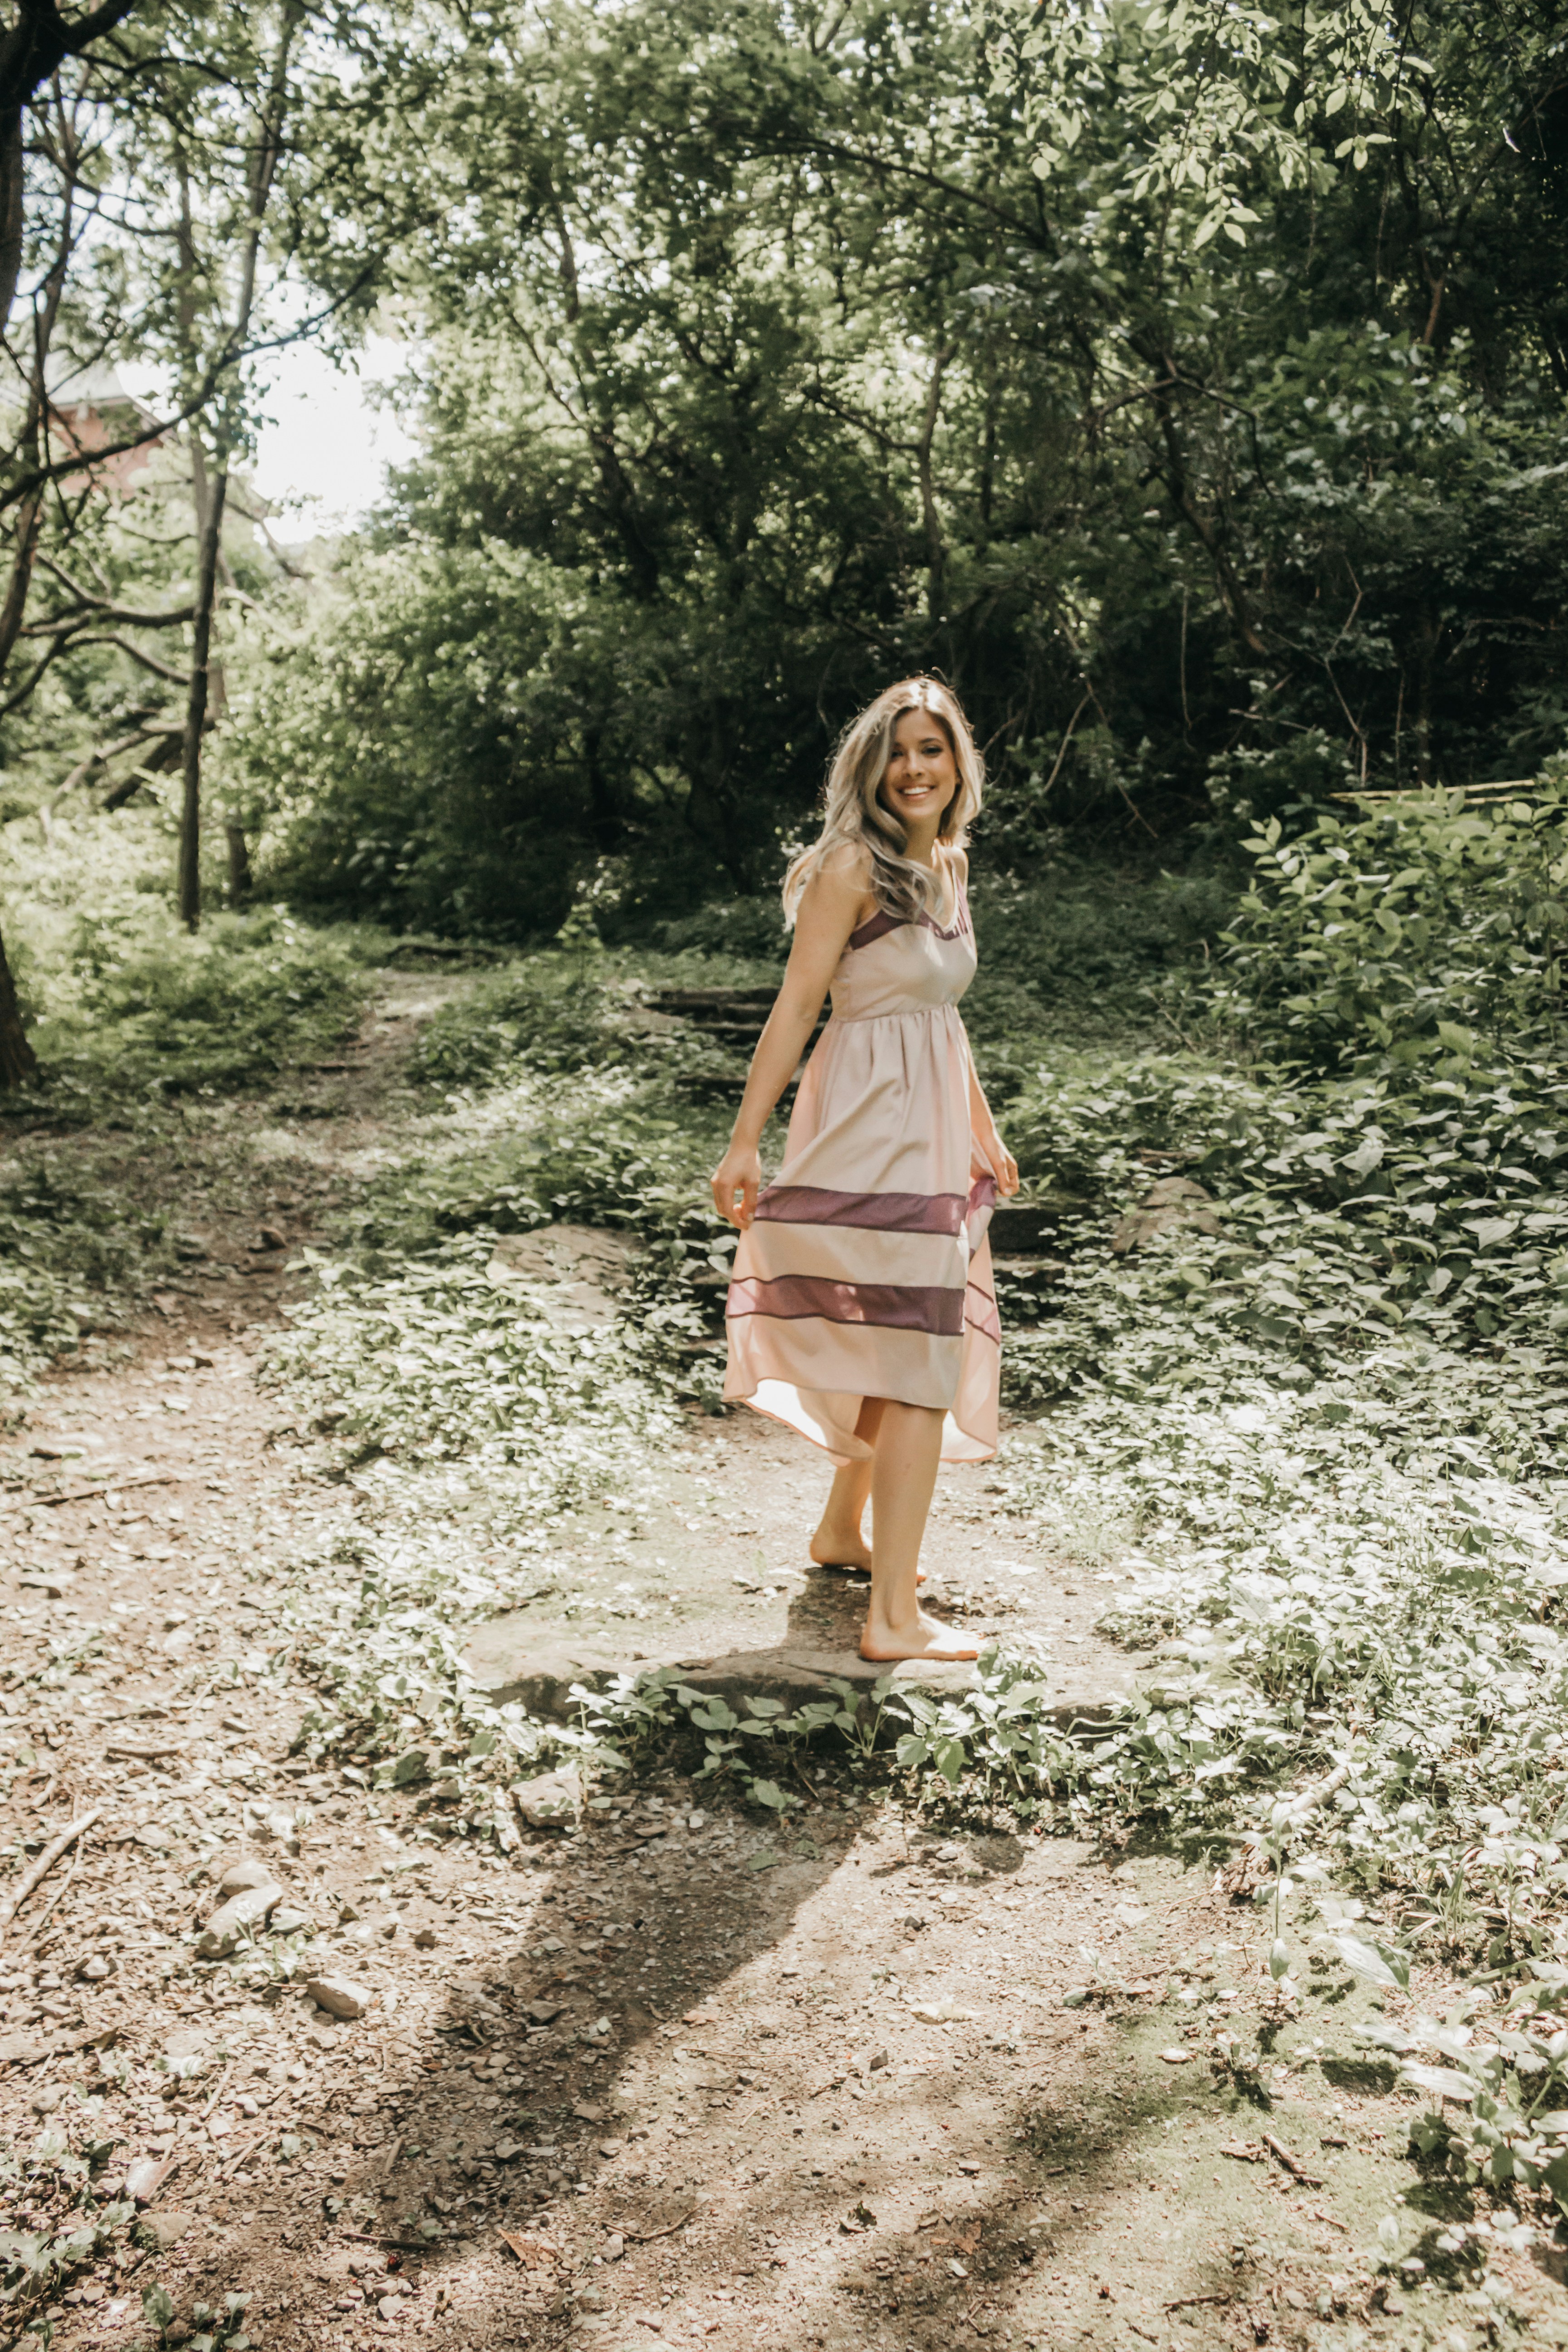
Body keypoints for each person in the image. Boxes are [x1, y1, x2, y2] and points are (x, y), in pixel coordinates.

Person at [710, 677, 1019, 1662]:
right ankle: (892, 1620)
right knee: (921, 1354)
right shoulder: (852, 868)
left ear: (957, 763)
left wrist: (985, 1127)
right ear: (871, 768)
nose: (915, 768)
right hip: (866, 1125)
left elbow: (941, 1015)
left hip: (928, 1126)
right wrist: (745, 1139)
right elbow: (800, 1004)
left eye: (932, 749)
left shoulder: (952, 866)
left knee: (899, 1337)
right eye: (898, 752)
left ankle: (843, 1531)